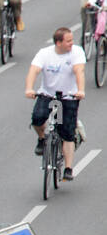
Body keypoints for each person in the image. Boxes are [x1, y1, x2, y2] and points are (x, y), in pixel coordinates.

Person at [27, 28, 86, 179]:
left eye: (72, 40)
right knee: (37, 119)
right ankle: (41, 138)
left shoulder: (76, 52)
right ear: (58, 42)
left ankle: (68, 168)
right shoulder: (45, 53)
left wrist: (80, 90)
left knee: (66, 132)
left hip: (68, 96)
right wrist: (29, 89)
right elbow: (34, 70)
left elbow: (79, 71)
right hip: (48, 94)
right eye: (68, 41)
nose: (71, 43)